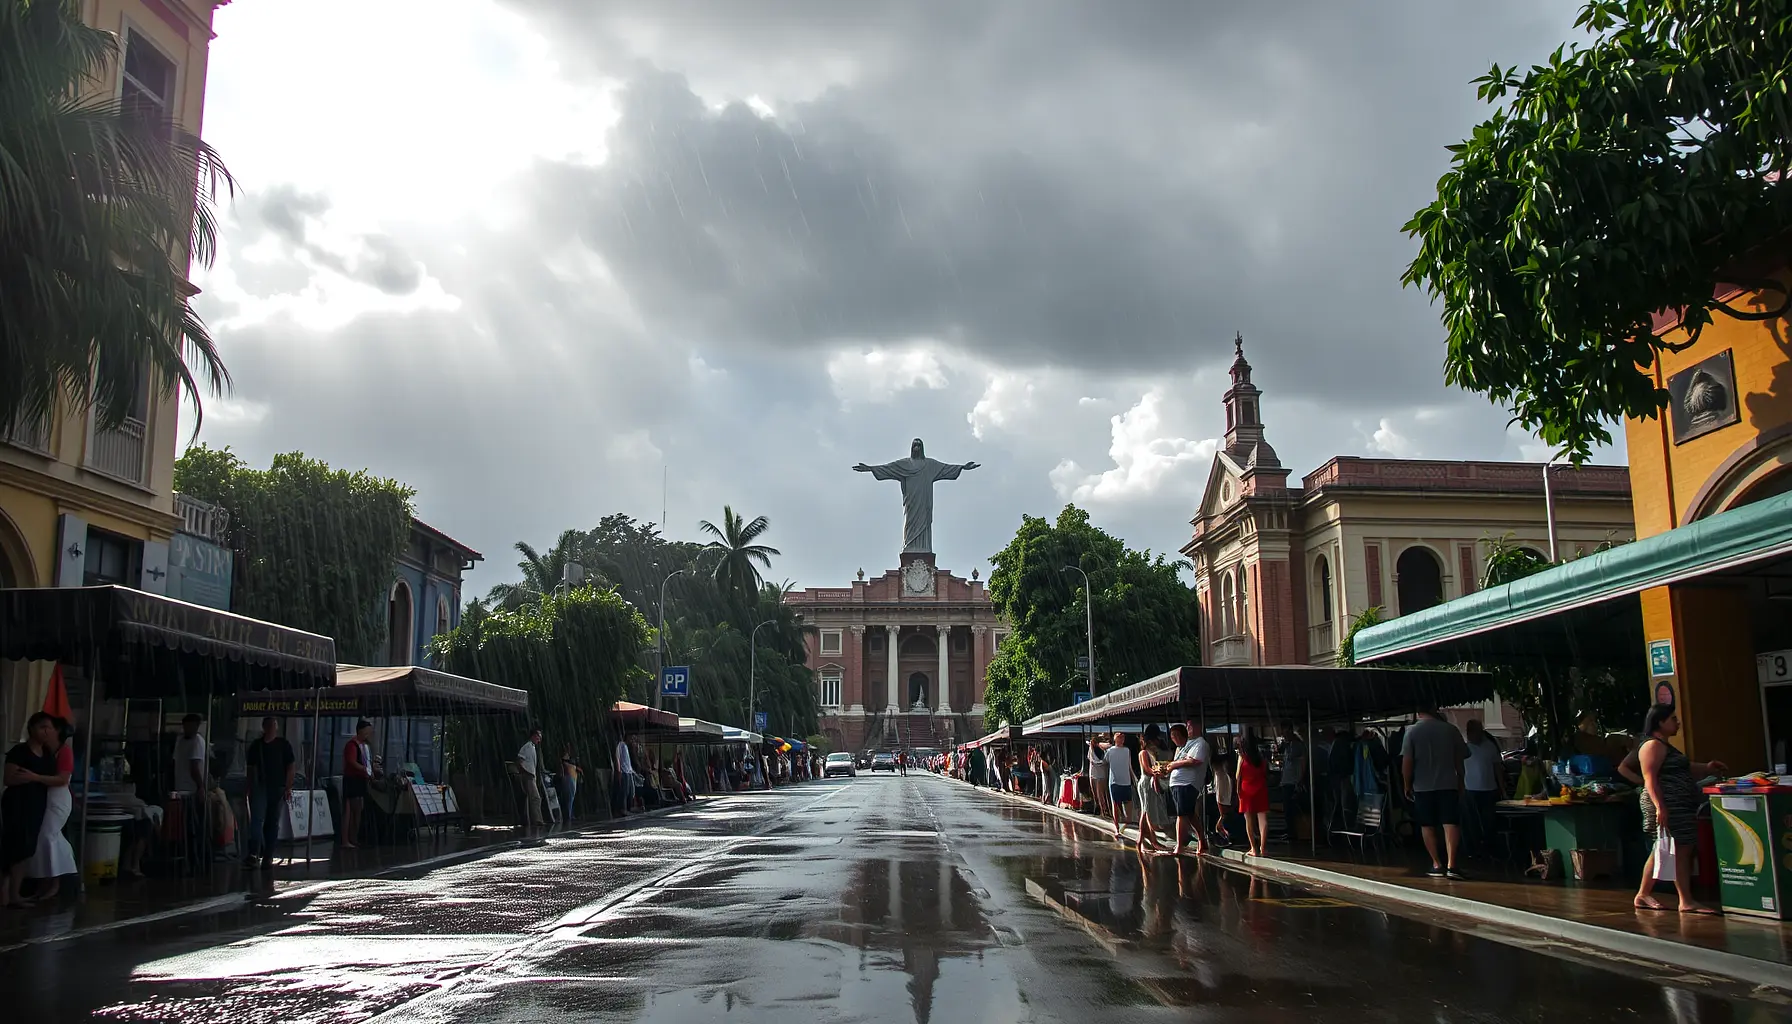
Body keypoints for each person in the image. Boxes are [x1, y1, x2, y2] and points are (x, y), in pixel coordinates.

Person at [1630, 704, 1726, 914]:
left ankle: (1646, 894)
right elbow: (1650, 779)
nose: (1677, 723)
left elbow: (1684, 767)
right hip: (1665, 803)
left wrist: (1707, 768)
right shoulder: (1652, 746)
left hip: (1678, 804)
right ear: (1660, 722)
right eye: (1673, 719)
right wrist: (1660, 807)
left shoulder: (1666, 747)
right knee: (1677, 848)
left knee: (1672, 848)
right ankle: (1684, 900)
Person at [3, 714, 71, 907]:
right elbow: (9, 779)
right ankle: (11, 893)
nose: (46, 731)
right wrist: (31, 778)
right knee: (15, 845)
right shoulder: (20, 751)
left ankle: (13, 893)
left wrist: (34, 777)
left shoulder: (48, 754)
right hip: (16, 803)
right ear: (32, 729)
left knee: (27, 847)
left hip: (37, 803)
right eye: (42, 727)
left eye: (49, 728)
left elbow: (56, 778)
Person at [1402, 705, 1469, 880]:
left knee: (1427, 825)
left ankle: (1436, 864)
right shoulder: (1450, 730)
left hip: (1422, 786)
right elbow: (1459, 759)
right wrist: (1461, 780)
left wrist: (1407, 784)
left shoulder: (1411, 732)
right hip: (1448, 783)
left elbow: (1407, 762)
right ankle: (1452, 864)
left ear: (1418, 712)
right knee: (1451, 823)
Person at [244, 717, 295, 869]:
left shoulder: (283, 745)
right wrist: (249, 786)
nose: (271, 729)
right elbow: (251, 769)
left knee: (270, 822)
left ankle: (266, 854)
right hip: (262, 786)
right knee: (259, 820)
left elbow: (291, 766)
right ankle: (256, 853)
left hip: (277, 787)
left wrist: (288, 787)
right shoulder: (257, 746)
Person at [1162, 721, 1210, 857]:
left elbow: (1194, 761)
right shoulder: (1183, 746)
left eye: (1190, 726)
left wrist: (1173, 765)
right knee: (1189, 814)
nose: (1188, 728)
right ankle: (1202, 839)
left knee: (1181, 814)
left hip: (1187, 783)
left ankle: (1179, 845)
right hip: (1176, 783)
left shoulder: (1200, 743)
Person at [1460, 720, 1504, 857]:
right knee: (1471, 822)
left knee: (1489, 821)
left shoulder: (1490, 746)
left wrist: (1502, 789)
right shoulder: (1464, 748)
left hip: (1489, 789)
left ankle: (1489, 848)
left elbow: (1498, 769)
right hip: (1469, 789)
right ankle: (1473, 849)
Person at [173, 713, 210, 862]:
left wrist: (200, 787)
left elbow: (194, 767)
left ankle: (196, 856)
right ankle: (192, 855)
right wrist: (201, 787)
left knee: (193, 825)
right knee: (190, 825)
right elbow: (192, 766)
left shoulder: (197, 741)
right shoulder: (181, 741)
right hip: (184, 788)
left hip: (190, 789)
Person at [1136, 725, 1173, 853]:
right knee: (1146, 811)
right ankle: (1148, 840)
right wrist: (1158, 772)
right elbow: (1147, 769)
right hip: (1146, 782)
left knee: (1147, 811)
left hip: (1149, 782)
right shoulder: (1144, 753)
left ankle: (1145, 840)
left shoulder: (1151, 753)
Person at [340, 719, 375, 849]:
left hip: (361, 779)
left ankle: (354, 837)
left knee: (358, 809)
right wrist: (364, 769)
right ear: (361, 730)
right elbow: (351, 761)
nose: (369, 734)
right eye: (367, 731)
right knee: (350, 810)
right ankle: (346, 839)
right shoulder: (352, 745)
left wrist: (371, 770)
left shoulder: (364, 746)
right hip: (352, 779)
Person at [1236, 727, 1270, 857]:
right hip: (1261, 788)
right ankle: (1263, 848)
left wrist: (1237, 790)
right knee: (1263, 819)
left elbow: (1238, 776)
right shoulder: (1261, 757)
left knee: (1249, 820)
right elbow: (1266, 773)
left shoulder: (1243, 757)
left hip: (1246, 790)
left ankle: (1253, 849)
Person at [1274, 721, 1306, 842]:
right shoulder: (1289, 746)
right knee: (1287, 808)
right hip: (1286, 780)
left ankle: (1292, 832)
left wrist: (1300, 779)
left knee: (1290, 809)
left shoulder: (1296, 745)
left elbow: (1300, 761)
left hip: (1292, 781)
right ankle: (1289, 830)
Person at [1104, 730, 1137, 842]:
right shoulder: (1110, 751)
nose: (1121, 739)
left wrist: (1134, 779)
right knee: (1115, 804)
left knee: (1128, 803)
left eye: (1122, 737)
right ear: (1114, 739)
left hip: (1126, 780)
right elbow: (1104, 761)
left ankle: (1127, 824)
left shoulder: (1127, 750)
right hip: (1114, 781)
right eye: (1118, 737)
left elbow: (1129, 765)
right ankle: (1117, 828)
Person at [1211, 749, 1237, 847]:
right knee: (1224, 814)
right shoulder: (1219, 770)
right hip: (1223, 793)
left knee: (1225, 814)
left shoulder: (1224, 772)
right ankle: (1222, 832)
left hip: (1225, 793)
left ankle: (1222, 831)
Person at [1087, 735, 1111, 817]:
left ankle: (1104, 810)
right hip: (1096, 774)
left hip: (1099, 774)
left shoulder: (1104, 749)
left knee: (1101, 794)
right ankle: (1101, 809)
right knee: (1097, 794)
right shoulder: (1092, 749)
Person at [557, 745, 581, 822]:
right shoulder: (565, 759)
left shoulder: (571, 758)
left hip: (573, 777)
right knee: (569, 797)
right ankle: (568, 815)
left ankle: (570, 814)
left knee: (571, 797)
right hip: (569, 777)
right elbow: (565, 765)